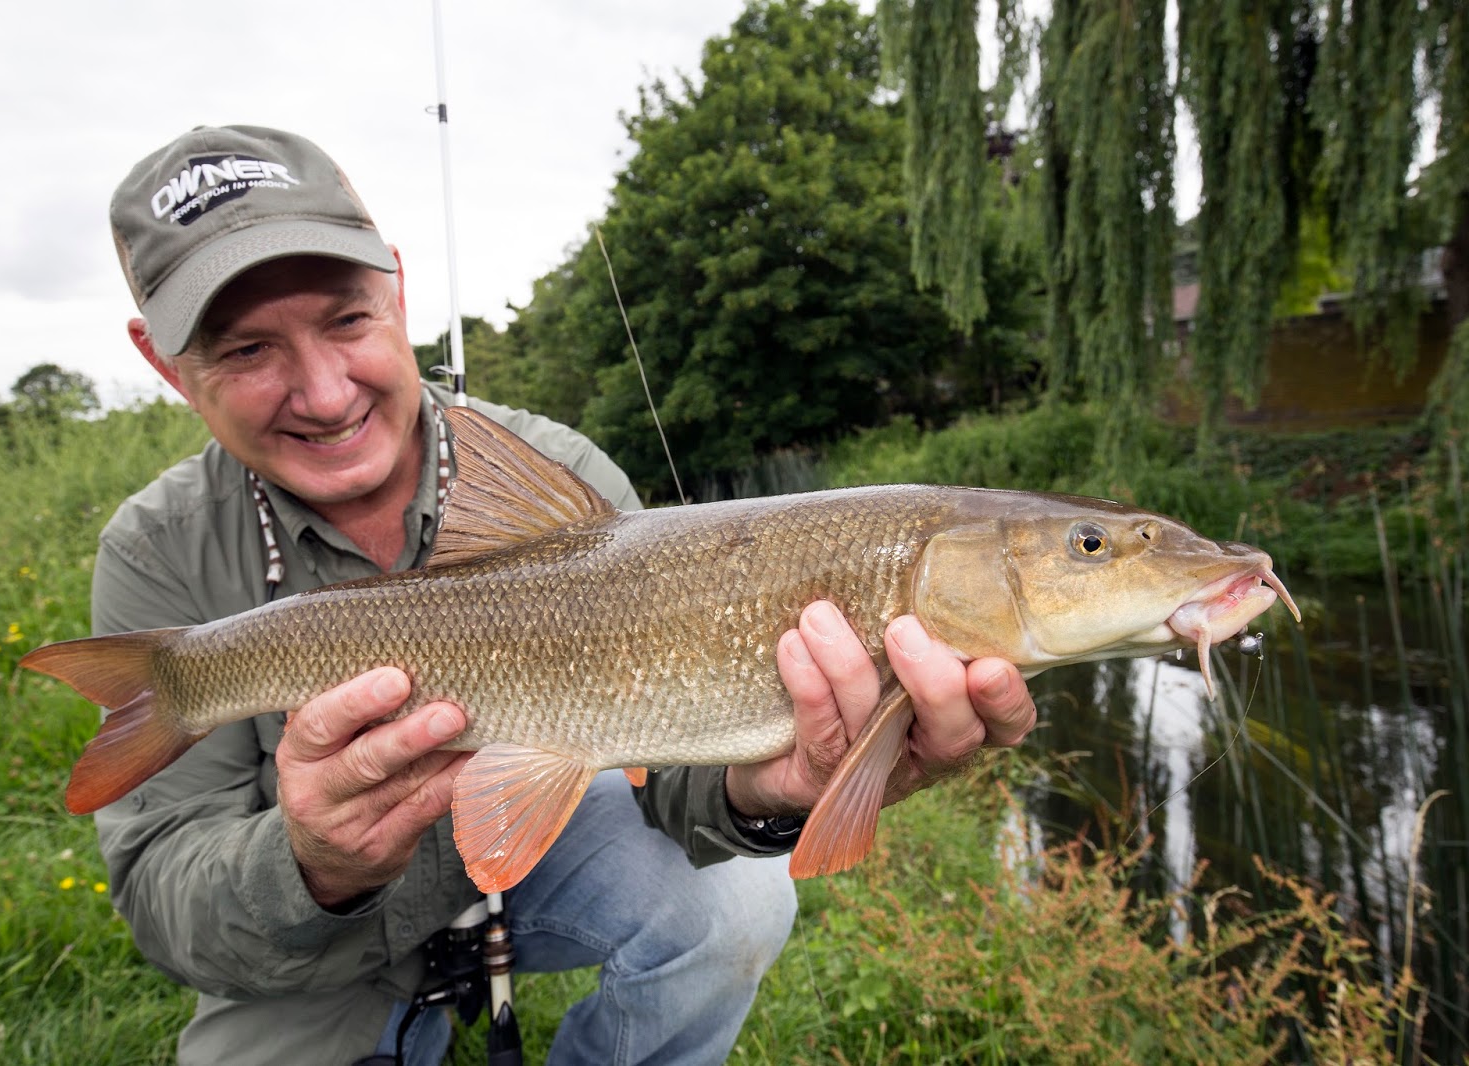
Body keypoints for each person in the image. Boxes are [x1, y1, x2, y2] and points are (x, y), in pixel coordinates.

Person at [93, 124, 1038, 1065]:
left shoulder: (555, 470)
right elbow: (162, 899)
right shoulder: (156, 548)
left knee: (740, 903)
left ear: (397, 286)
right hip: (311, 962)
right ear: (164, 362)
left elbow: (670, 789)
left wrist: (764, 793)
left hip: (531, 864)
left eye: (347, 320)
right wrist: (313, 864)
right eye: (249, 350)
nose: (325, 393)